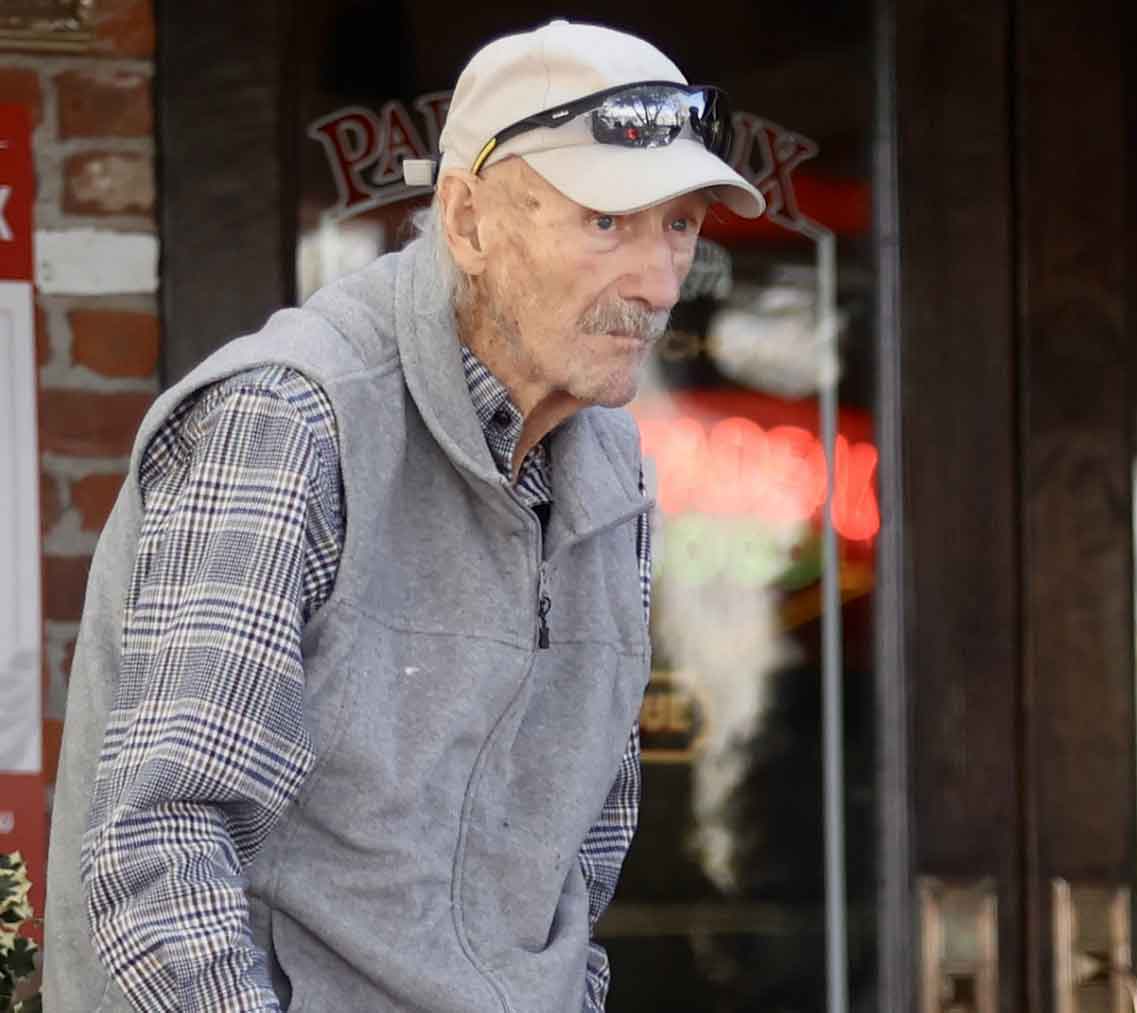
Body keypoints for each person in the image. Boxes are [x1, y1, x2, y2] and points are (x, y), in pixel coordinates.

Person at [42, 19, 764, 1012]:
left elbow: (576, 864)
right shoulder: (292, 418)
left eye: (678, 223)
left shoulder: (609, 467)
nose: (657, 279)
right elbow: (161, 850)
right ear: (466, 220)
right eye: (606, 222)